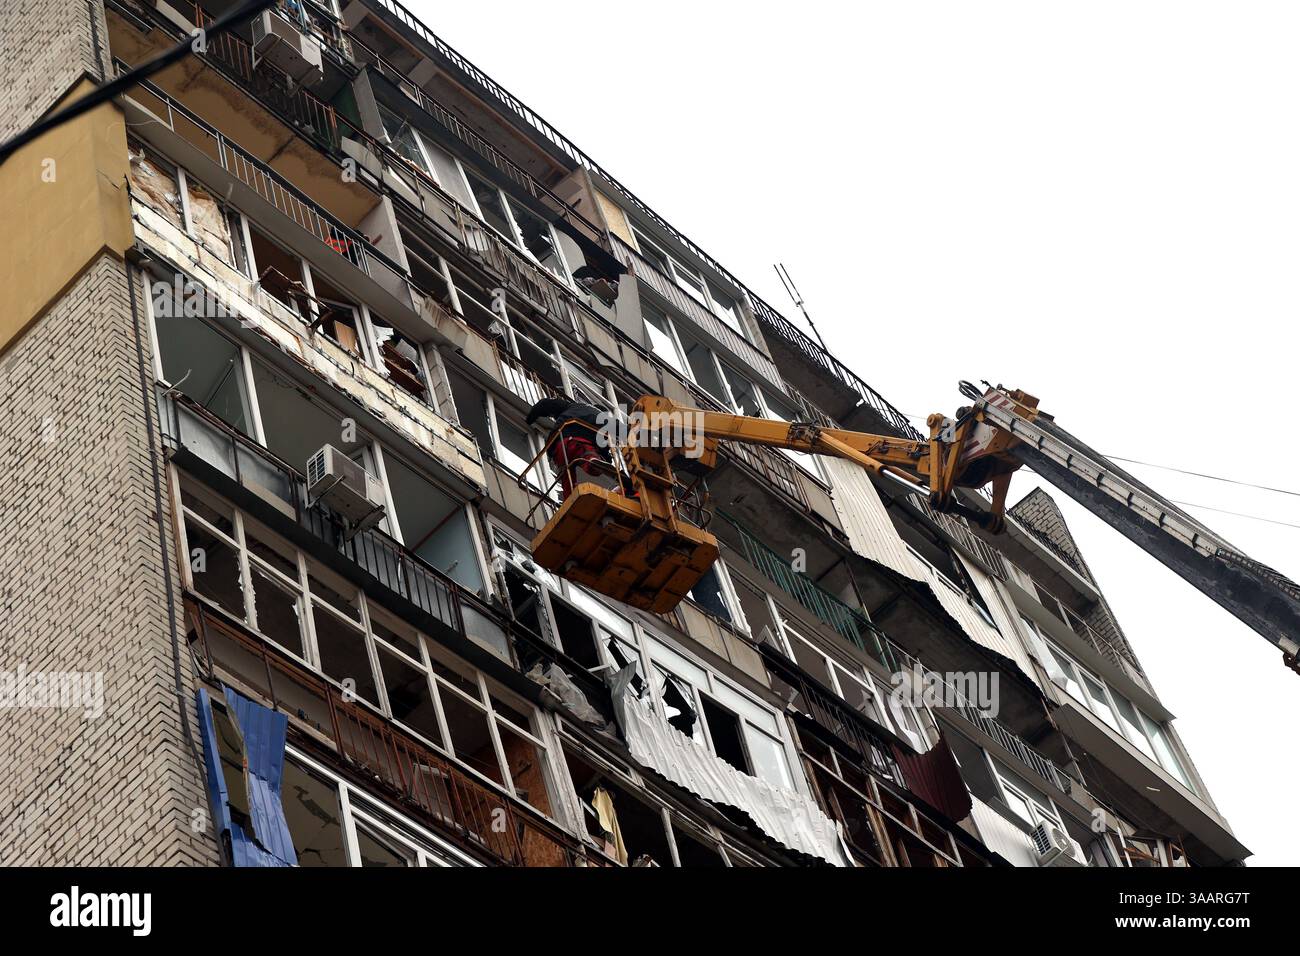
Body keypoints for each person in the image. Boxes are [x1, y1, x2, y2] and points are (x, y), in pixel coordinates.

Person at [526, 397, 612, 499]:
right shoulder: (604, 420)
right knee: (590, 460)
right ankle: (591, 461)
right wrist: (608, 461)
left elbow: (547, 404)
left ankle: (570, 498)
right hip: (577, 442)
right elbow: (605, 446)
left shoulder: (571, 406)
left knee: (566, 475)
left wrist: (530, 418)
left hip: (557, 445)